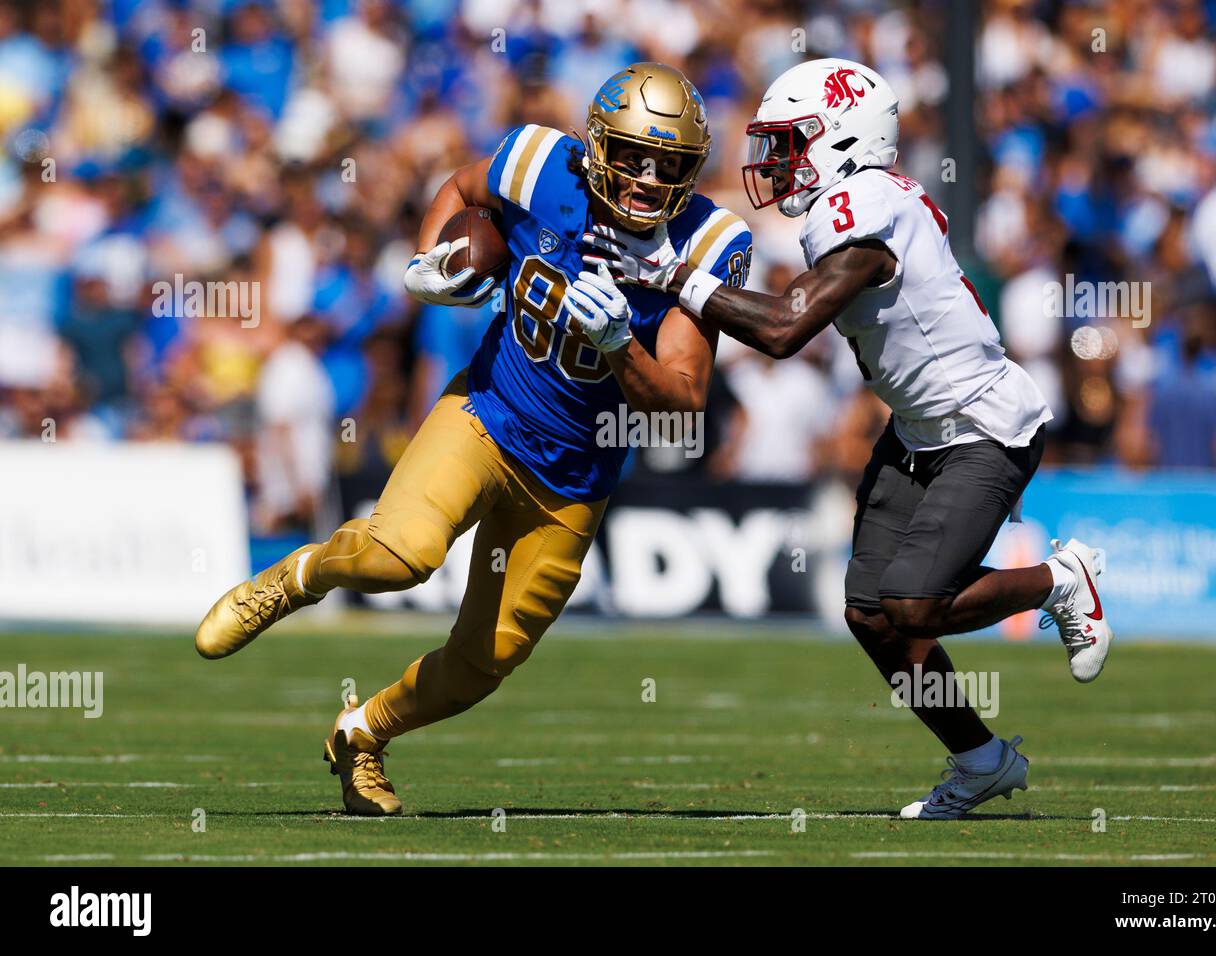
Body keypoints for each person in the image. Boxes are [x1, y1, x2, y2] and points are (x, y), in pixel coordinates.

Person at [193, 63, 752, 815]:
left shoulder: (707, 240)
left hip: (573, 479)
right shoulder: (539, 164)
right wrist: (426, 262)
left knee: (483, 661)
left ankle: (363, 734)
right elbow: (461, 189)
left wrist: (620, 343)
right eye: (631, 157)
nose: (649, 181)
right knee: (400, 556)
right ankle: (297, 577)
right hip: (488, 412)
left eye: (669, 166)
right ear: (595, 147)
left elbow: (681, 399)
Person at [583, 58, 1114, 820]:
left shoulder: (859, 203)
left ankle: (1061, 582)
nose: (775, 161)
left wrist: (676, 277)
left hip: (983, 425)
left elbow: (784, 329)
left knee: (911, 604)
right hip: (920, 428)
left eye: (790, 142)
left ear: (842, 140)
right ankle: (980, 760)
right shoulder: (855, 203)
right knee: (870, 614)